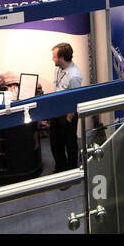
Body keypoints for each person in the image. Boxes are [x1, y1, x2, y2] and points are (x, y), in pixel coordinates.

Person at [49, 42, 83, 172]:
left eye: (54, 57)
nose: (52, 59)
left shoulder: (74, 76)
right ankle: (60, 167)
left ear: (62, 58)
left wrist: (69, 118)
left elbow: (75, 99)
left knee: (69, 142)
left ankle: (72, 169)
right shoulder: (58, 69)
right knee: (55, 142)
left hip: (68, 115)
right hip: (56, 111)